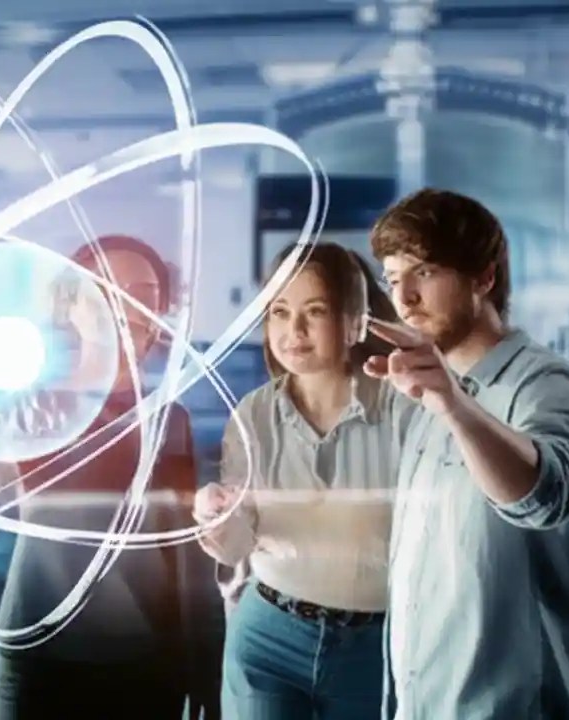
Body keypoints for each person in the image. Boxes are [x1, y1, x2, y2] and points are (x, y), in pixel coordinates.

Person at [365, 188, 569, 720]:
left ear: (484, 278)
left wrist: (452, 406)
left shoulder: (546, 384)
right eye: (392, 279)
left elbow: (544, 497)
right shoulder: (430, 393)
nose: (403, 299)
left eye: (423, 272)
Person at [0, 234, 223, 719]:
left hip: (145, 663)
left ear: (160, 312)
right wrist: (13, 416)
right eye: (103, 290)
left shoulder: (172, 423)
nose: (123, 306)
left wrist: (207, 665)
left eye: (142, 294)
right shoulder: (32, 407)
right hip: (38, 652)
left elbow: (191, 560)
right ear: (70, 307)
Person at [193, 242, 419, 720]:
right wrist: (215, 518)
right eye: (279, 312)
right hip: (268, 635)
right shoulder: (253, 414)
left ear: (353, 319)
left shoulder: (405, 408)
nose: (293, 331)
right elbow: (237, 546)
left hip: (374, 645)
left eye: (314, 311)